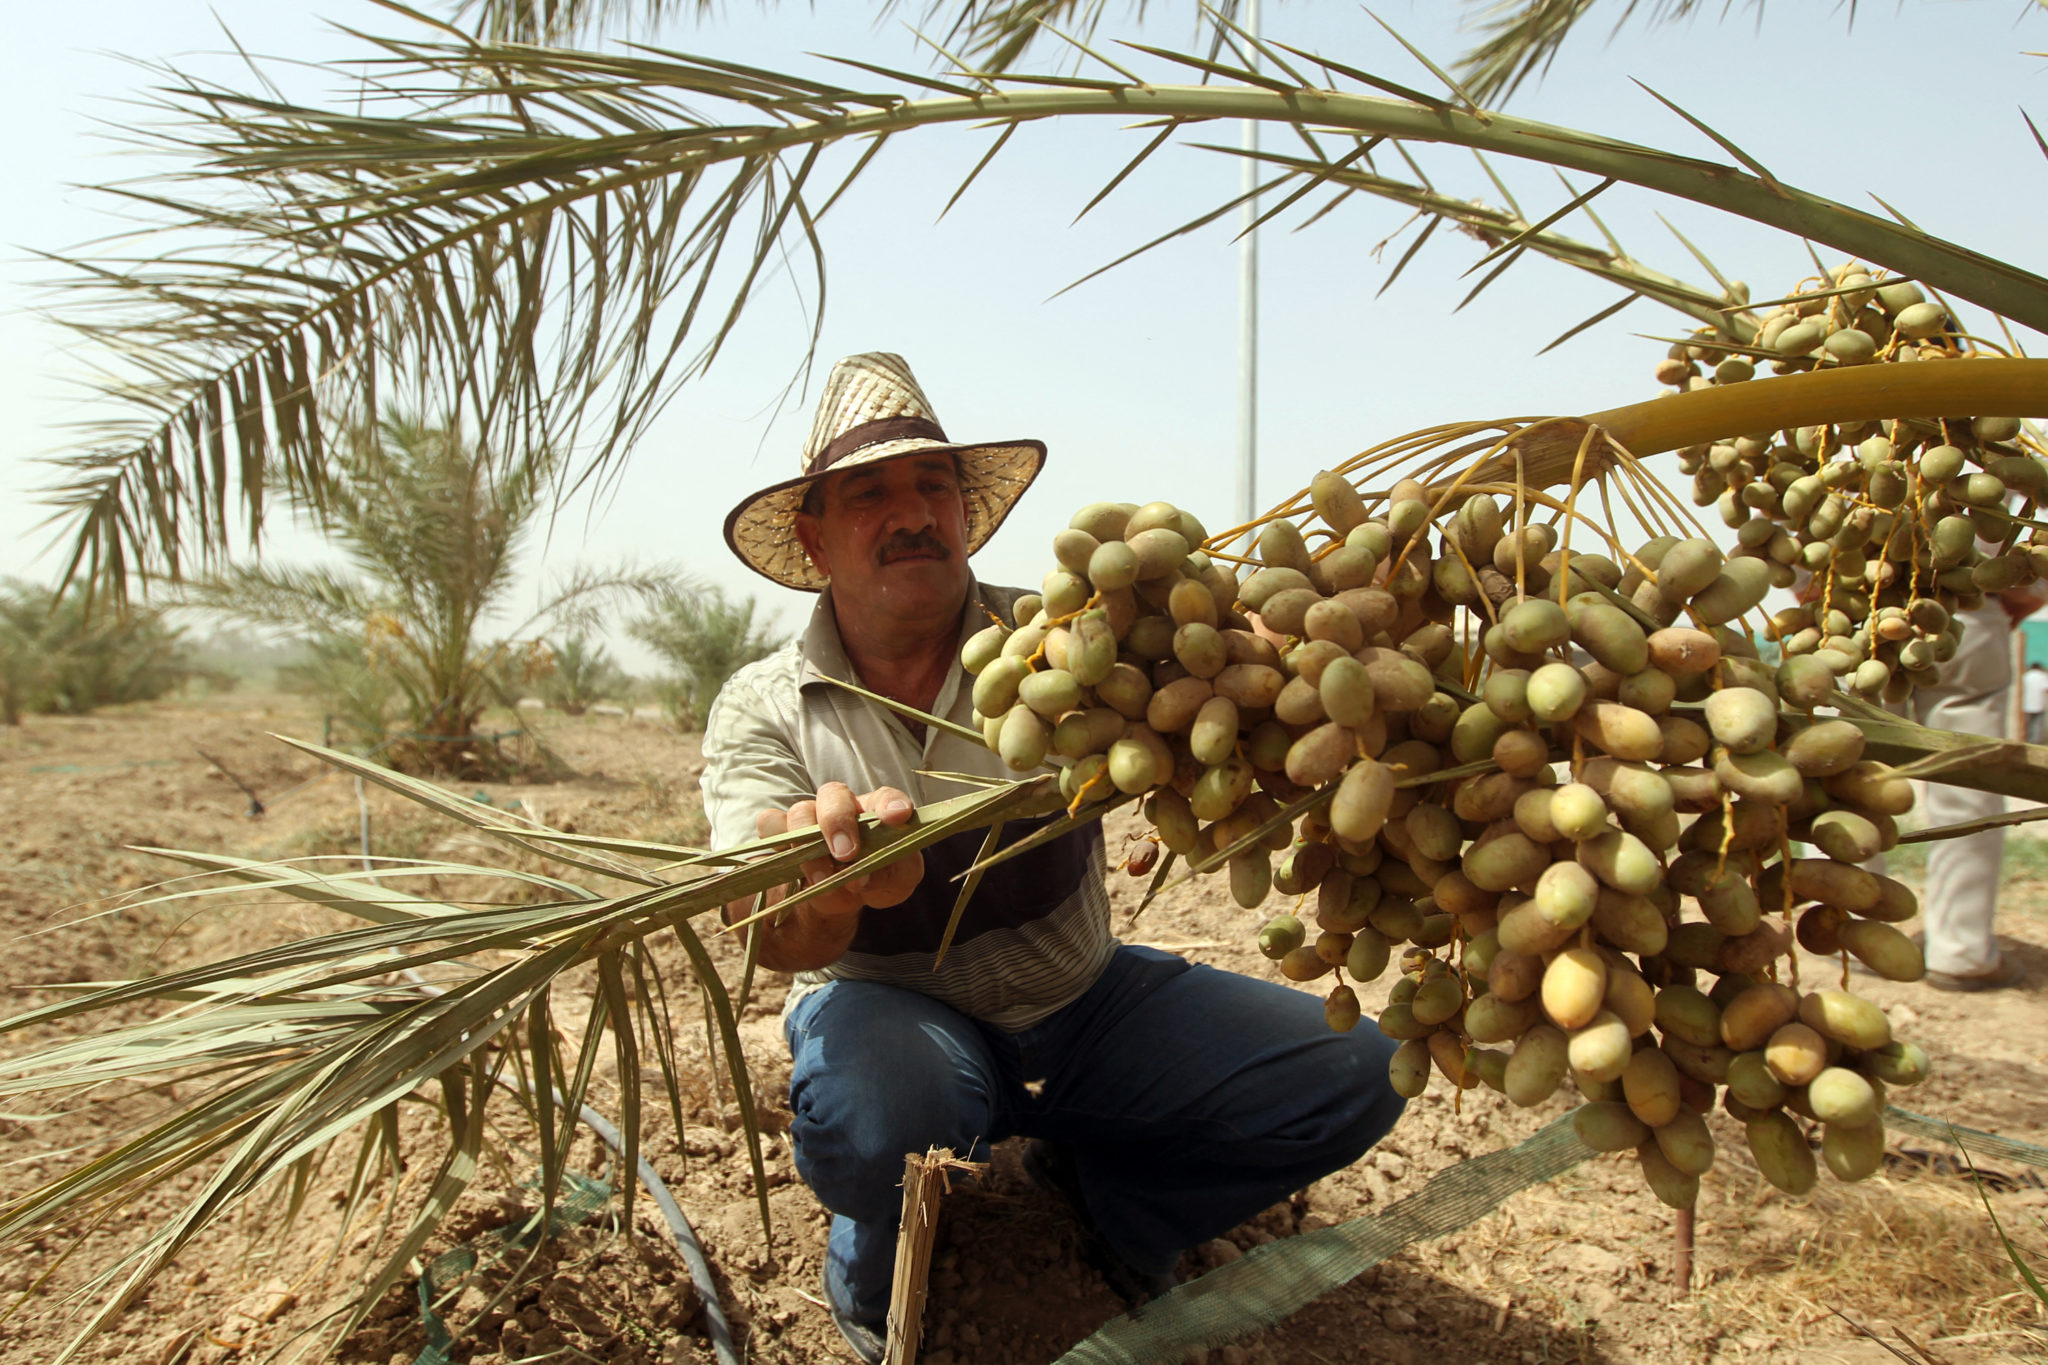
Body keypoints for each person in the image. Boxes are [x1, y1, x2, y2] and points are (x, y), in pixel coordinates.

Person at [699, 353, 1405, 1362]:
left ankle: (1110, 1202)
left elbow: (1229, 710)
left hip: (1079, 1006)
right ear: (813, 536)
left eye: (933, 486)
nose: (912, 513)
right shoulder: (764, 708)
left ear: (964, 515)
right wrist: (835, 895)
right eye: (868, 494)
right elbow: (764, 936)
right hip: (892, 1015)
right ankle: (878, 1228)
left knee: (1357, 1071)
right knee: (884, 1111)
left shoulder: (1069, 645)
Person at [2024, 660, 2048, 745]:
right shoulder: (2042, 676)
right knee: (2037, 725)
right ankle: (2036, 741)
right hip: (2039, 704)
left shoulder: (2025, 676)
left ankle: (2027, 740)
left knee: (2027, 725)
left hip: (2026, 705)